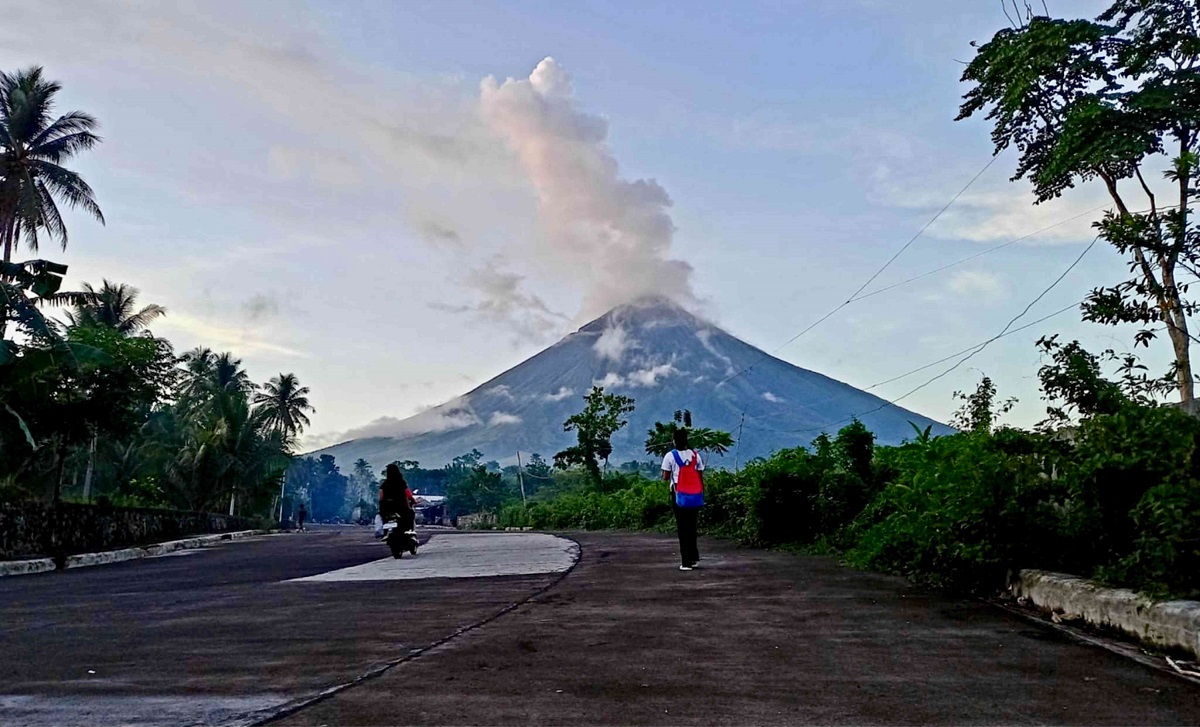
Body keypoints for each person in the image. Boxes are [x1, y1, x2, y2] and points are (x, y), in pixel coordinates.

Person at [661, 428, 704, 571]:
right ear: (686, 441)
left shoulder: (670, 456)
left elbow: (666, 476)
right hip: (695, 495)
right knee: (692, 527)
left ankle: (686, 562)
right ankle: (693, 558)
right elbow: (700, 476)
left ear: (674, 441)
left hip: (679, 494)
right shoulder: (695, 455)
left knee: (682, 528)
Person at [379, 463, 416, 533]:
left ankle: (385, 532)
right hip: (400, 507)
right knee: (411, 513)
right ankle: (410, 530)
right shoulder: (401, 483)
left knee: (383, 517)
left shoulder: (384, 484)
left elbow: (381, 497)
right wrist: (412, 500)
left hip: (386, 509)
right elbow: (408, 494)